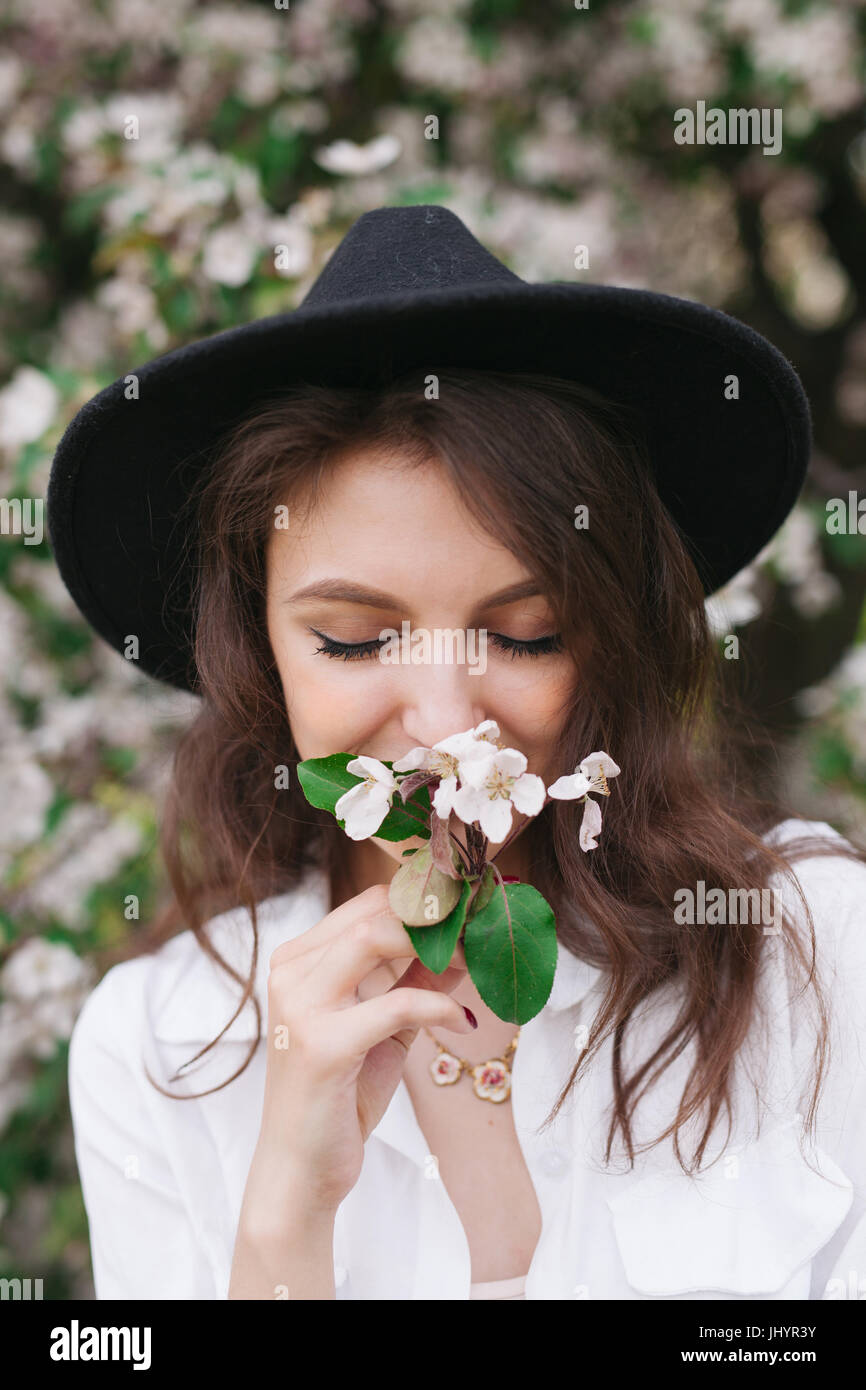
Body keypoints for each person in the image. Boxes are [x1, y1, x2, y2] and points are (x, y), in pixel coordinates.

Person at [48, 205, 866, 1301]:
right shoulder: (156, 1046)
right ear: (260, 651)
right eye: (352, 639)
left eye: (523, 633)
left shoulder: (806, 959)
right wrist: (284, 1217)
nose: (442, 723)